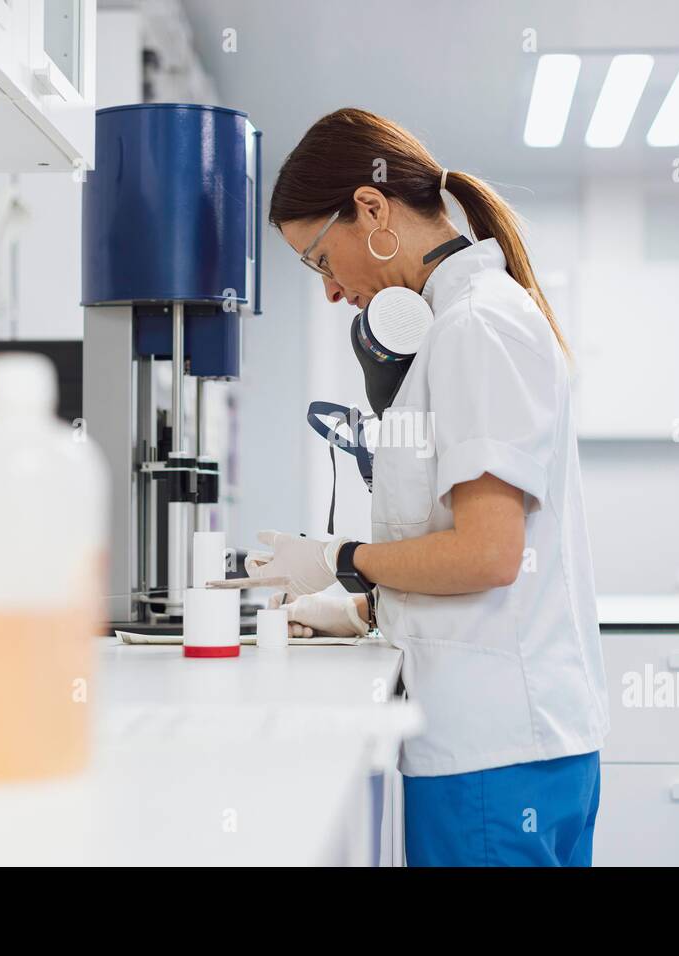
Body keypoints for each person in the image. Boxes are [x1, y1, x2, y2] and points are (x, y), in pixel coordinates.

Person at [243, 108, 608, 867]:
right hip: (516, 745)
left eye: (319, 260)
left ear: (370, 209)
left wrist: (342, 557)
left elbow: (487, 556)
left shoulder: (476, 327)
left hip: (492, 756)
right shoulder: (468, 322)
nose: (333, 290)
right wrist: (362, 606)